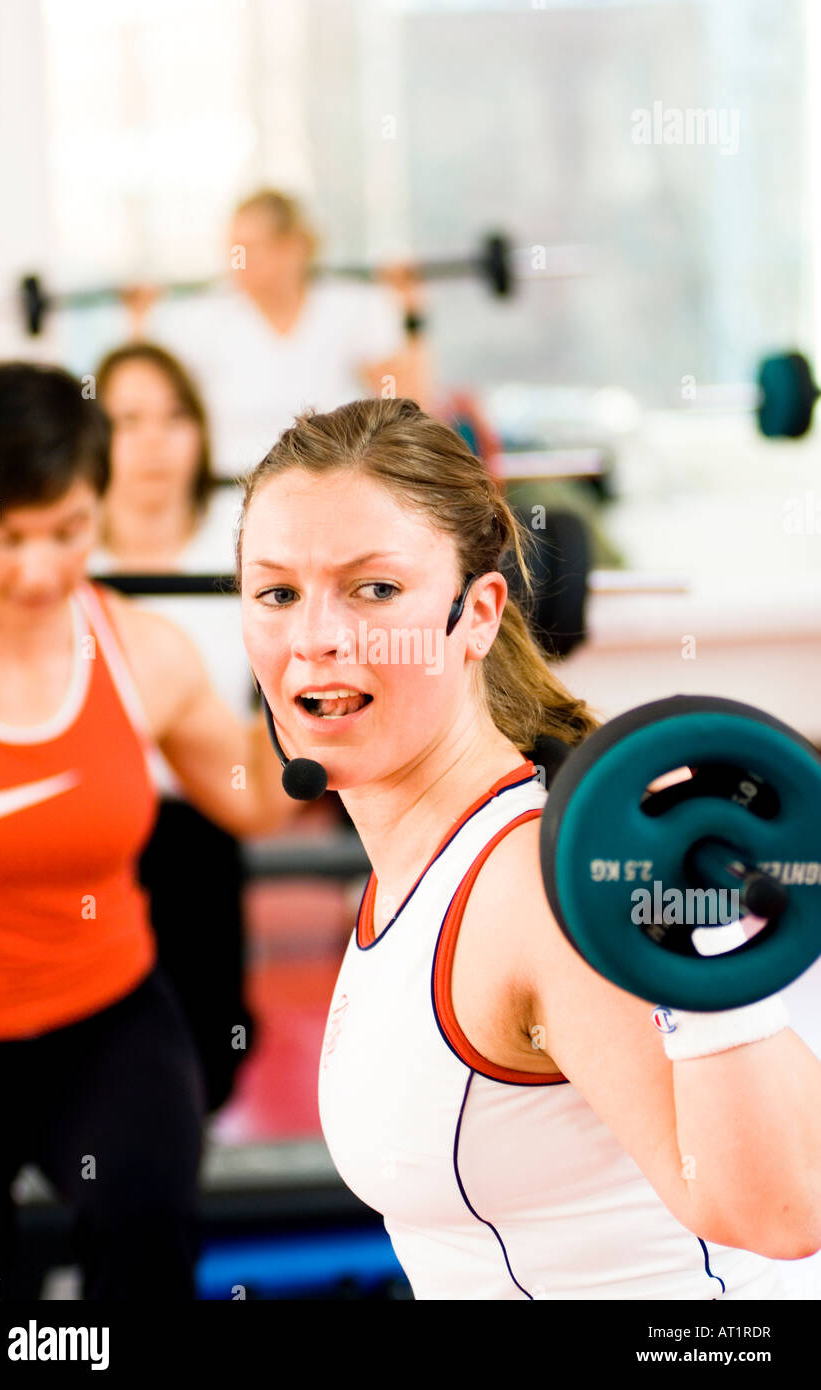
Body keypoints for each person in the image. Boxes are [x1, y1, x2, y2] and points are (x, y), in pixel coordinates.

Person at [236, 394, 821, 1300]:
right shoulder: (422, 866)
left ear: (475, 614)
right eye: (277, 593)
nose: (315, 638)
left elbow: (782, 1213)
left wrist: (701, 943)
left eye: (374, 589)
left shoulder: (529, 890)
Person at [0, 360, 293, 1300]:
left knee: (147, 1231)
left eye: (67, 532)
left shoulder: (145, 652)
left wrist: (307, 650)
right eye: (5, 538)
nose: (37, 571)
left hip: (102, 1018)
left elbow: (255, 798)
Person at [90, 342, 260, 1113]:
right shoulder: (61, 552)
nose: (154, 442)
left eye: (173, 417)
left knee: (205, 1060)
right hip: (84, 831)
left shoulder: (245, 546)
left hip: (200, 822)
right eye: (127, 421)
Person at [127, 187, 435, 475]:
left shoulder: (347, 305)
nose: (237, 263)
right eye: (233, 249)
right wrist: (139, 323)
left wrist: (411, 310)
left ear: (293, 246)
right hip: (232, 492)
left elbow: (410, 404)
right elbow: (147, 394)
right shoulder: (205, 315)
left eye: (250, 248)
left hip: (333, 485)